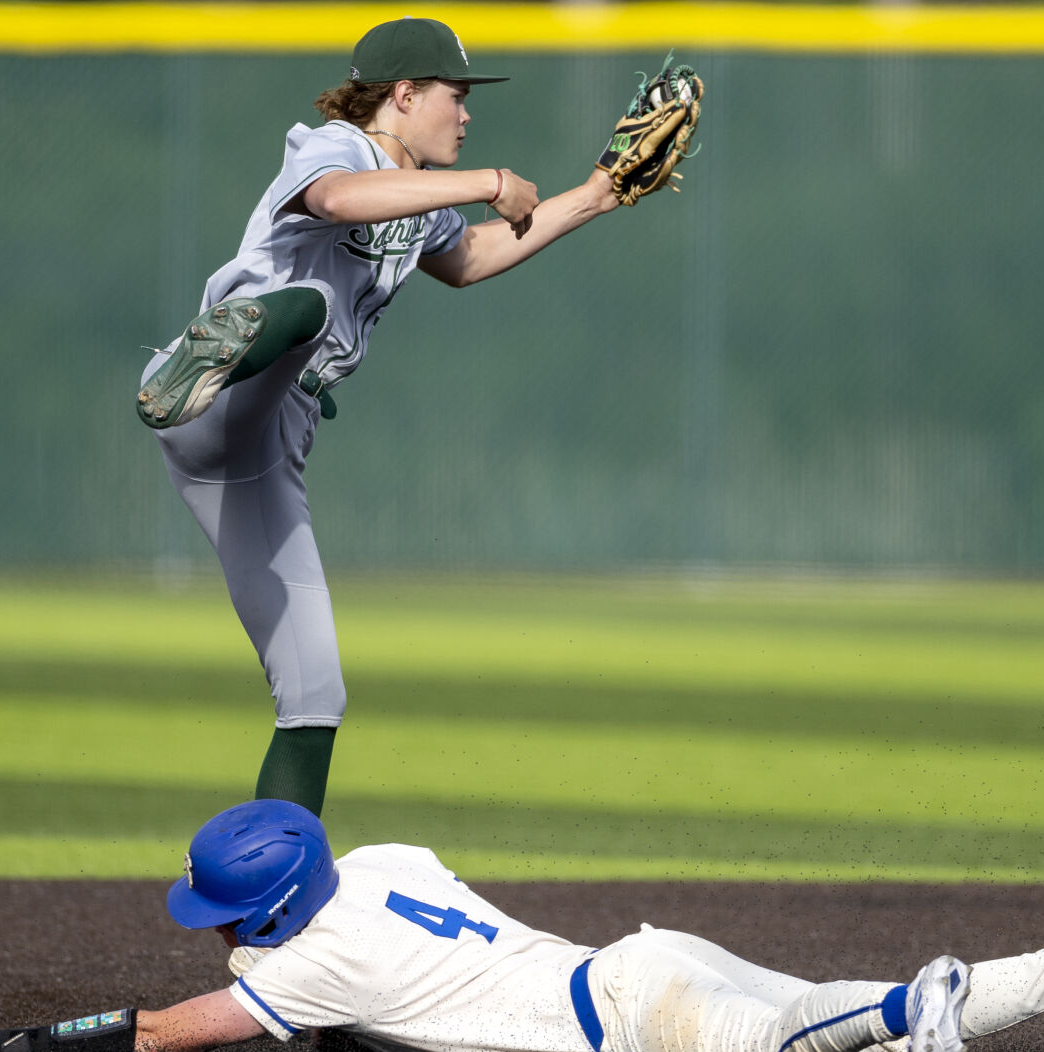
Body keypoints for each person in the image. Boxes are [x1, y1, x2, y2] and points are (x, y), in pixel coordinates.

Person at [131, 18, 663, 817]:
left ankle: (281, 913)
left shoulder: (418, 200)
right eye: (455, 96)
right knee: (308, 307)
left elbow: (468, 260)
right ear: (403, 95)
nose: (466, 113)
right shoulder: (335, 146)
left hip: (266, 447)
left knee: (314, 696)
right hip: (219, 392)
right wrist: (486, 180)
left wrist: (592, 196)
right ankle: (217, 345)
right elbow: (340, 201)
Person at [0, 801, 1044, 1052]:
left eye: (227, 913)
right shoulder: (392, 865)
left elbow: (166, 1032)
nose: (219, 929)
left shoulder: (299, 972)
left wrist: (7, 1043)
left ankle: (908, 997)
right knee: (817, 1005)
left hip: (629, 1019)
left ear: (266, 908)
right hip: (640, 953)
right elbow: (385, 987)